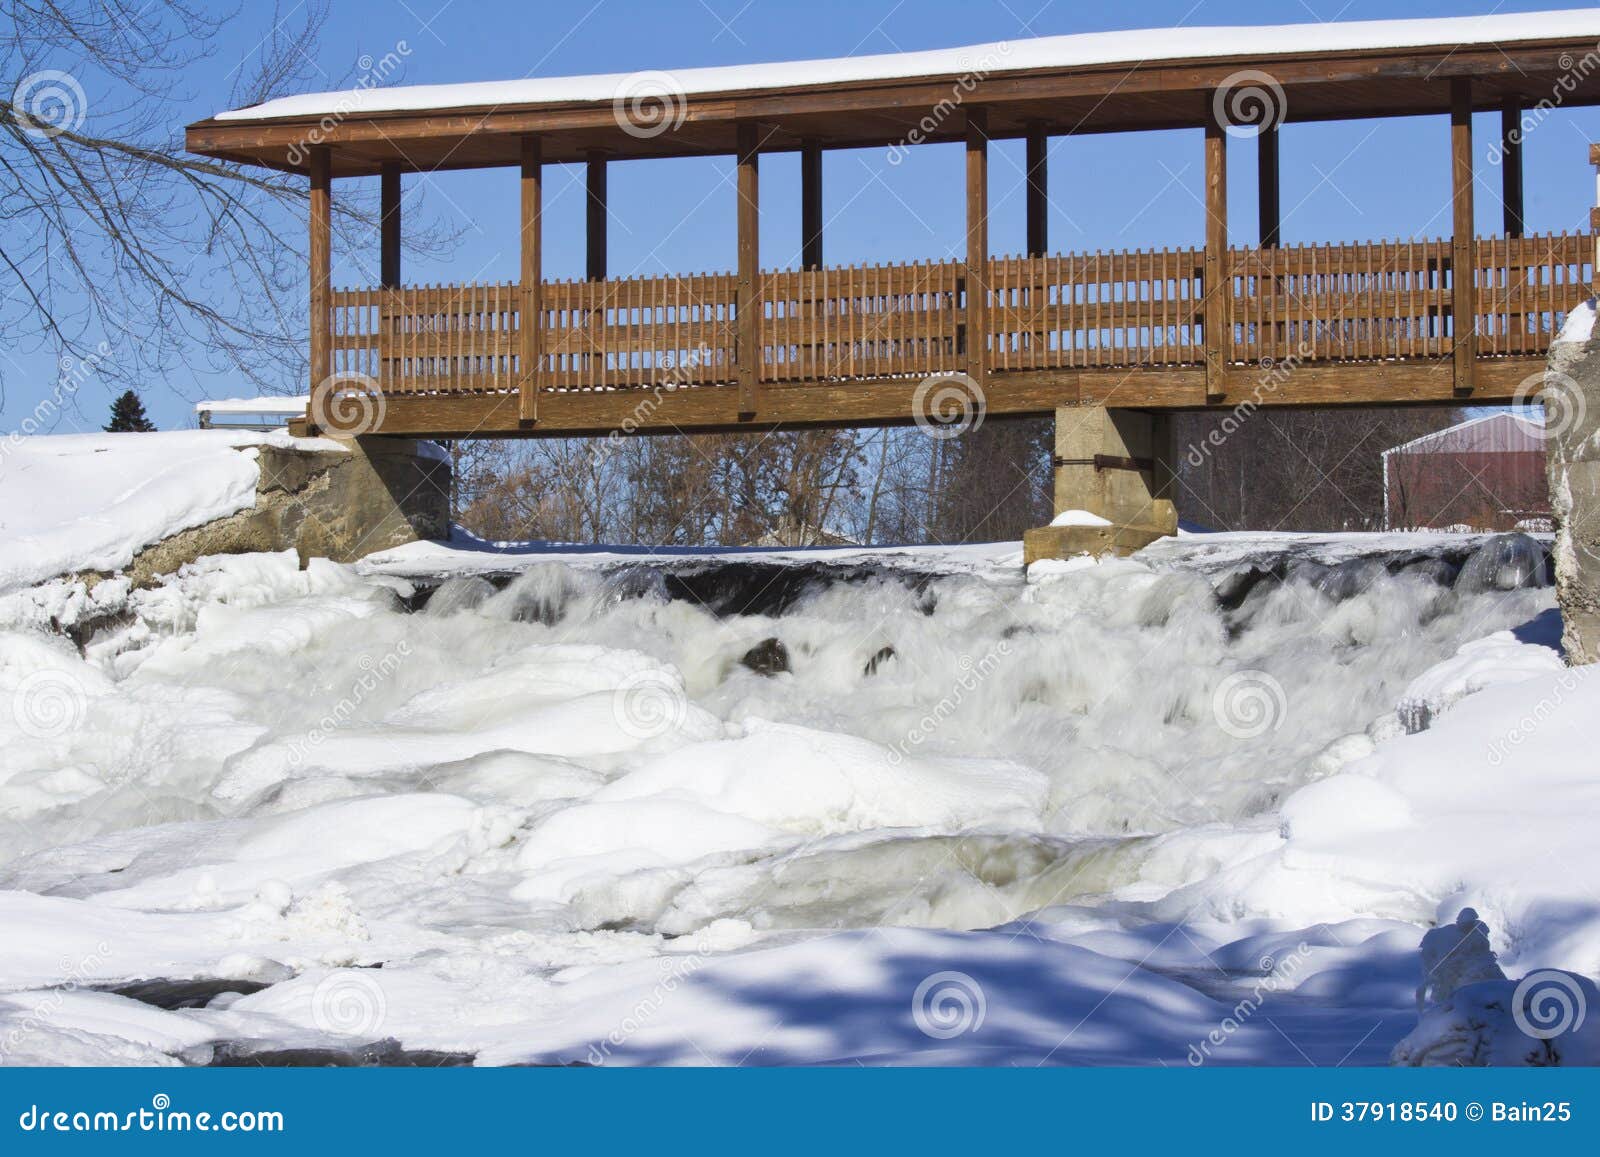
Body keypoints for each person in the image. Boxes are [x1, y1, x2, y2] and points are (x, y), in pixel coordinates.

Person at [1416, 907, 1506, 1012]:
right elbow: (1431, 956)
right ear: (1459, 921)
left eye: (1470, 923)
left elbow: (1483, 951)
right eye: (1466, 923)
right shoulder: (1445, 935)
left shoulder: (1479, 932)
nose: (1468, 926)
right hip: (1452, 976)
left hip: (1476, 971)